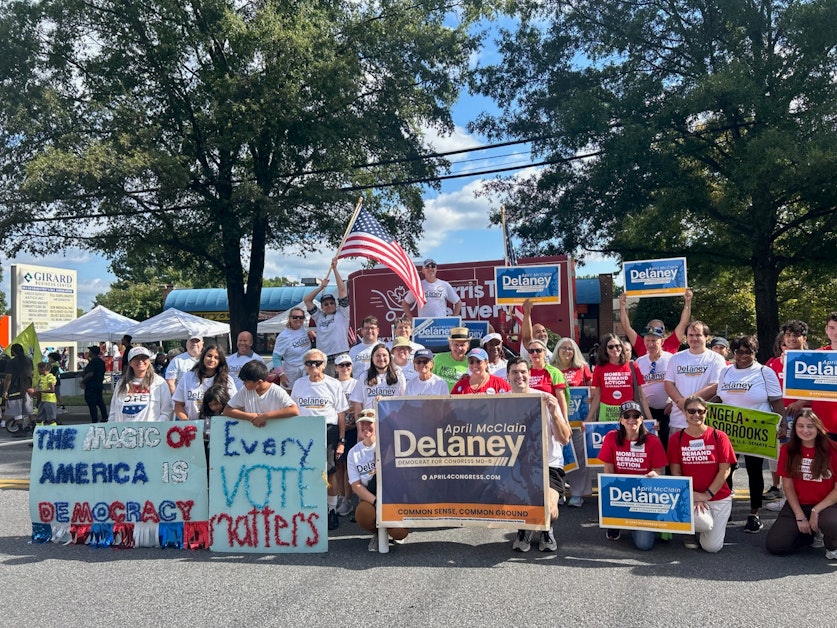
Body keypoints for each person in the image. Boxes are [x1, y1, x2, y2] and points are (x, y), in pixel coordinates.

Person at [712, 335, 784, 533]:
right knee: (725, 470)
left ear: (755, 353)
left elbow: (776, 401)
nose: (743, 356)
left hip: (755, 431)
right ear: (733, 353)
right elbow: (720, 397)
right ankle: (725, 509)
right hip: (728, 430)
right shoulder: (726, 371)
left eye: (748, 352)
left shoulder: (764, 372)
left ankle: (754, 513)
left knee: (754, 472)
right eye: (739, 352)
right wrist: (703, 406)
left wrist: (783, 424)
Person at [507, 357, 571, 552]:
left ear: (529, 374)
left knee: (549, 510)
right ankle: (526, 527)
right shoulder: (501, 402)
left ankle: (545, 526)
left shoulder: (545, 399)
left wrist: (555, 413)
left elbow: (564, 439)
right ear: (507, 376)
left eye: (523, 372)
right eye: (515, 372)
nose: (519, 376)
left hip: (548, 464)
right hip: (515, 466)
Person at [668, 396, 736, 553]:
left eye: (700, 411)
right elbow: (676, 471)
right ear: (684, 413)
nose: (696, 415)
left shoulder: (719, 436)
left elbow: (725, 470)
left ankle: (702, 527)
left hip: (718, 497)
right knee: (704, 523)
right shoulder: (676, 438)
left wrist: (706, 495)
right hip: (690, 496)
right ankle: (689, 531)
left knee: (712, 547)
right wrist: (691, 496)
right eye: (691, 411)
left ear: (706, 412)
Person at [766, 410, 837, 558]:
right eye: (800, 426)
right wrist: (800, 516)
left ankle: (832, 544)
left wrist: (816, 510)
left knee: (831, 523)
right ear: (795, 428)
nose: (805, 430)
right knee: (776, 545)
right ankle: (808, 535)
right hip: (800, 504)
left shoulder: (833, 449)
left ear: (818, 427)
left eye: (810, 426)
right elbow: (788, 487)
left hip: (828, 505)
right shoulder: (788, 449)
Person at [599, 401, 669, 549]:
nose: (631, 419)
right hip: (619, 493)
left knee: (643, 545)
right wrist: (609, 498)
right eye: (627, 416)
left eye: (635, 416)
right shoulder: (611, 437)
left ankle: (638, 523)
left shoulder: (653, 441)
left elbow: (658, 471)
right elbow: (608, 469)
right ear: (621, 420)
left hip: (643, 495)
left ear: (641, 419)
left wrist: (654, 475)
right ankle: (617, 521)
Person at [292, 348, 349, 530]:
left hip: (328, 430)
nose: (313, 366)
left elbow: (341, 414)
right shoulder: (299, 384)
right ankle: (309, 509)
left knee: (330, 471)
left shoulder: (333, 384)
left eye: (317, 363)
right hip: (305, 431)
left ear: (324, 365)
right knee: (307, 470)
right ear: (305, 366)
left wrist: (341, 441)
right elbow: (294, 410)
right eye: (309, 363)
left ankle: (331, 510)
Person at [348, 409, 409, 551]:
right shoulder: (353, 452)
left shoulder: (390, 445)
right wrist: (376, 502)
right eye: (362, 424)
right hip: (370, 496)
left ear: (378, 424)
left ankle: (391, 530)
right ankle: (377, 533)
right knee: (363, 514)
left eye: (369, 423)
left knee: (399, 533)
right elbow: (355, 485)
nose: (365, 427)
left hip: (393, 496)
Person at [764, 319, 809, 506]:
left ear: (804, 338)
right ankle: (785, 497)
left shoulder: (813, 360)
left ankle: (803, 499)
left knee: (802, 459)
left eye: (795, 335)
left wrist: (801, 402)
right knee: (780, 457)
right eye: (788, 335)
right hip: (780, 417)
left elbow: (823, 391)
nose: (791, 339)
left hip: (805, 417)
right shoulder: (774, 363)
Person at [663, 321, 726, 437]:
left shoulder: (716, 359)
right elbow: (668, 383)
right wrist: (679, 401)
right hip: (678, 420)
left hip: (703, 422)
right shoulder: (676, 358)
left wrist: (689, 403)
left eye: (698, 335)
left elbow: (715, 386)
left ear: (706, 337)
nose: (694, 338)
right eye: (691, 335)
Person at [551, 336, 594, 507]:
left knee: (579, 457)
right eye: (564, 348)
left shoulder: (582, 368)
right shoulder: (551, 369)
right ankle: (558, 491)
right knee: (557, 458)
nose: (567, 351)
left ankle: (577, 493)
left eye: (570, 348)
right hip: (556, 422)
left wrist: (591, 395)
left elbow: (594, 387)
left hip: (578, 422)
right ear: (557, 350)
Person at [787, 312, 837, 441]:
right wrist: (787, 363)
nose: (835, 332)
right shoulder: (817, 355)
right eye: (832, 328)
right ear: (826, 330)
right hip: (821, 425)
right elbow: (807, 387)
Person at [586, 334, 651, 423]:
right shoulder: (599, 368)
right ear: (605, 349)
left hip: (628, 414)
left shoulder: (632, 366)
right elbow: (597, 396)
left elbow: (641, 395)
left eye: (617, 346)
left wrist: (651, 419)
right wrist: (588, 419)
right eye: (611, 347)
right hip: (607, 415)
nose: (615, 349)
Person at [304, 258, 351, 375]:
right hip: (323, 357)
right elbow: (307, 300)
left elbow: (342, 289)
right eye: (326, 304)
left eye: (331, 303)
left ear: (335, 304)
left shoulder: (343, 313)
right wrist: (321, 287)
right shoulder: (319, 316)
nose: (329, 305)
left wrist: (335, 269)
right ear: (322, 307)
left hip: (341, 355)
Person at [634, 326, 674, 453]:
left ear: (662, 341)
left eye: (654, 341)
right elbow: (637, 389)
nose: (650, 344)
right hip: (647, 410)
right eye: (647, 340)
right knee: (649, 445)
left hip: (667, 410)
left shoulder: (672, 359)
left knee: (666, 444)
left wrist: (674, 402)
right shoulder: (639, 362)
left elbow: (679, 384)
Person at [619, 288, 693, 358]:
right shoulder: (642, 344)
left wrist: (688, 302)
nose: (653, 332)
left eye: (657, 330)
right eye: (650, 328)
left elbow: (683, 323)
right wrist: (622, 306)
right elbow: (627, 328)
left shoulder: (671, 343)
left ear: (663, 334)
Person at [222, 360, 300, 427]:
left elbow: (294, 410)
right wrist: (249, 416)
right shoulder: (245, 390)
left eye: (246, 381)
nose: (243, 383)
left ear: (259, 382)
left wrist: (266, 416)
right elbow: (227, 410)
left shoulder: (277, 391)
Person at [173, 344, 237, 421]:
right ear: (203, 357)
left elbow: (233, 405)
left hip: (219, 425)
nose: (212, 359)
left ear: (220, 361)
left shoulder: (227, 380)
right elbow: (178, 404)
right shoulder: (188, 377)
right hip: (192, 424)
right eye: (209, 356)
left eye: (216, 357)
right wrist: (186, 422)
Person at [109, 347, 174, 422]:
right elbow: (113, 413)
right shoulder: (121, 383)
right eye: (136, 358)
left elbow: (167, 411)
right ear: (130, 362)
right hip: (124, 428)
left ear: (149, 361)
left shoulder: (159, 383)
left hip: (151, 428)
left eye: (144, 358)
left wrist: (156, 427)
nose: (140, 361)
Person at [334, 353, 359, 517]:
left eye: (348, 365)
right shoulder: (332, 384)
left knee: (349, 465)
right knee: (338, 465)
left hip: (353, 428)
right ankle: (340, 495)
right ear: (336, 368)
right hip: (337, 428)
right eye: (341, 365)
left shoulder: (357, 384)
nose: (345, 368)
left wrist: (355, 424)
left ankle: (348, 499)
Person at [350, 344, 407, 414]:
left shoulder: (399, 376)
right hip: (369, 418)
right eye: (378, 355)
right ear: (372, 358)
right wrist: (360, 421)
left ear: (390, 357)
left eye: (384, 355)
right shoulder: (364, 377)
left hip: (392, 418)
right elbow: (357, 404)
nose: (381, 358)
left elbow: (405, 401)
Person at [525, 338, 569, 421]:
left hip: (550, 416)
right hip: (529, 417)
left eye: (538, 350)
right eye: (531, 351)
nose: (535, 353)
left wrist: (565, 420)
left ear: (544, 352)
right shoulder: (525, 372)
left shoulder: (555, 372)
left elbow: (561, 399)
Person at [271, 307, 312, 389]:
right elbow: (276, 357)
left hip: (306, 370)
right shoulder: (283, 336)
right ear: (289, 318)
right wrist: (281, 374)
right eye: (295, 317)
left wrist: (311, 333)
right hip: (291, 372)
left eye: (301, 317)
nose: (298, 319)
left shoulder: (304, 329)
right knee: (290, 395)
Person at [3, 343, 35, 433]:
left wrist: (5, 391)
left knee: (17, 411)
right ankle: (34, 427)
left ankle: (20, 429)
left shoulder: (12, 362)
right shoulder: (29, 360)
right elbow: (31, 374)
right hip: (27, 388)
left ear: (13, 351)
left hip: (15, 389)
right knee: (29, 410)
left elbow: (8, 377)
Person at [432, 327, 472, 391]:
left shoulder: (471, 363)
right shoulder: (438, 358)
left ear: (468, 347)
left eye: (462, 345)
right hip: (439, 396)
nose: (459, 348)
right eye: (456, 345)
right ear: (450, 346)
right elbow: (429, 378)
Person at [81, 344, 108, 424]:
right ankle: (104, 417)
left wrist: (83, 381)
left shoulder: (93, 362)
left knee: (92, 403)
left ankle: (94, 419)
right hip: (99, 384)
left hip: (91, 385)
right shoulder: (101, 362)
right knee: (100, 401)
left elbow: (90, 374)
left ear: (92, 352)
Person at [33, 361, 58, 426]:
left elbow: (52, 390)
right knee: (39, 418)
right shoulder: (41, 378)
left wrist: (40, 391)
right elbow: (38, 388)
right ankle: (40, 429)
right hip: (43, 400)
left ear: (43, 369)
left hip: (50, 400)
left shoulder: (50, 377)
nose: (38, 371)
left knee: (51, 419)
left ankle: (53, 429)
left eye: (38, 369)